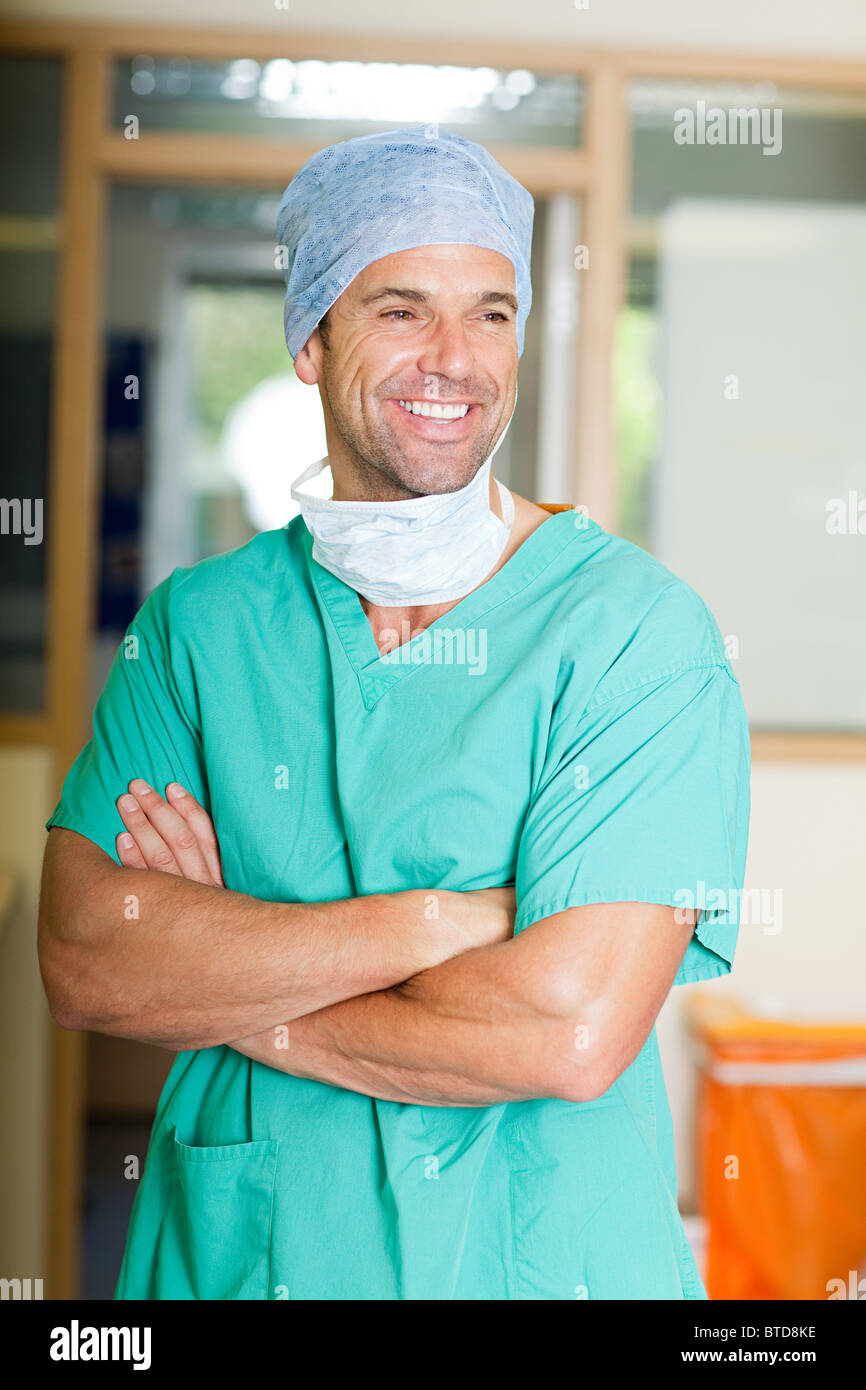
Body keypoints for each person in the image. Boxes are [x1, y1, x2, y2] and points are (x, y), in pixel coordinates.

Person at [38, 127, 750, 1301]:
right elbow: (85, 958)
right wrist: (443, 922)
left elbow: (564, 1029)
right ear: (311, 339)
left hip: (539, 1263)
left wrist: (231, 982)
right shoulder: (200, 630)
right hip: (245, 1259)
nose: (453, 359)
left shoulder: (636, 634)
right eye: (401, 309)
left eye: (490, 312)